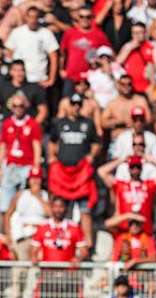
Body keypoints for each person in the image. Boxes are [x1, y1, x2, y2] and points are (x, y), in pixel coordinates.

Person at [48, 93, 101, 246]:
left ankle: (87, 244)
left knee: (85, 210)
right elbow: (52, 142)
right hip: (63, 173)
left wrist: (92, 155)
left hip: (81, 174)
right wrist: (52, 156)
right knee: (61, 209)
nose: (76, 107)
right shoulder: (59, 123)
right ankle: (61, 241)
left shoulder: (88, 124)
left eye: (79, 104)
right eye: (73, 104)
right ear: (68, 105)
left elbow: (96, 142)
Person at [0, 94, 43, 212]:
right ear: (11, 107)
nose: (18, 108)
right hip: (11, 164)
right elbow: (3, 145)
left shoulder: (33, 124)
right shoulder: (7, 123)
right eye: (15, 106)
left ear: (25, 107)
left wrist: (36, 166)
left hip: (27, 164)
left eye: (21, 106)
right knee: (6, 197)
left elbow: (36, 146)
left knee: (24, 196)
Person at [59, 4, 111, 95]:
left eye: (88, 17)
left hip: (90, 77)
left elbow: (109, 52)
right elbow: (63, 53)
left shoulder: (98, 34)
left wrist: (101, 63)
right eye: (81, 16)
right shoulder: (70, 33)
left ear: (92, 18)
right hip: (71, 77)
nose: (84, 19)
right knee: (67, 104)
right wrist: (61, 70)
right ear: (77, 18)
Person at [5, 6, 59, 87]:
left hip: (39, 79)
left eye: (35, 17)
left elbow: (54, 57)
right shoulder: (17, 32)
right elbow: (9, 54)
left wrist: (51, 79)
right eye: (30, 17)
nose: (33, 20)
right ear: (25, 17)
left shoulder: (46, 33)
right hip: (19, 80)